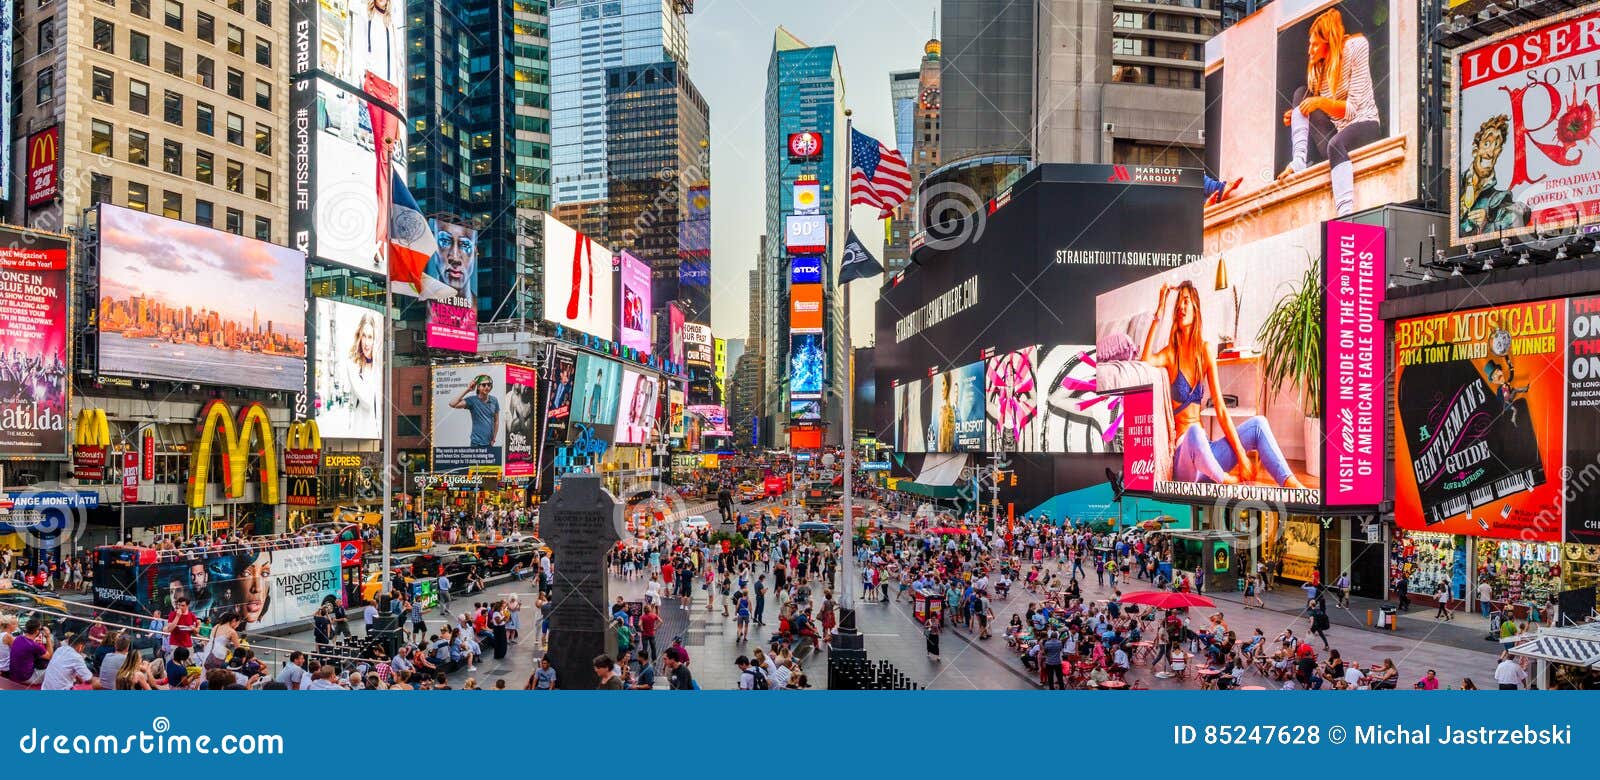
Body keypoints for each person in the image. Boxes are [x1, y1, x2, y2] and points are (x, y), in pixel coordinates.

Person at [1141, 281, 1302, 490]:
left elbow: (1221, 410)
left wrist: (1243, 457)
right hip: (1186, 460)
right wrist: (1159, 311)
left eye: (1186, 301)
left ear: (1196, 308)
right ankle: (1225, 480)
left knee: (1258, 425)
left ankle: (1292, 484)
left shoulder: (1205, 351)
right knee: (1194, 432)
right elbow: (1144, 360)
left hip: (1207, 457)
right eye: (1178, 303)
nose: (1181, 307)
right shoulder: (1171, 353)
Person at [1277, 6, 1383, 216]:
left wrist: (1318, 103)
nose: (1310, 51)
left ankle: (1345, 214)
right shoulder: (1318, 68)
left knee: (1336, 145)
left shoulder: (1356, 47)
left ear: (1329, 40)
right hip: (1338, 130)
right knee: (1300, 95)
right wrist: (1299, 114)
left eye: (1315, 45)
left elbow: (1351, 110)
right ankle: (1299, 160)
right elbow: (1317, 105)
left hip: (1365, 124)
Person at [1458, 114, 1530, 237]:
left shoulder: (1498, 199)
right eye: (1486, 144)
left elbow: (1520, 215)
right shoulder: (1458, 183)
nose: (1490, 153)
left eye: (1496, 146)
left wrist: (1486, 225)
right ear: (1476, 148)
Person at [450, 374, 501, 447]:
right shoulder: (472, 401)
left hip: (489, 443)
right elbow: (452, 404)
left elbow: (496, 421)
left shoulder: (494, 400)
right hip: (476, 443)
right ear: (478, 387)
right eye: (483, 385)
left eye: (489, 385)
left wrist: (494, 439)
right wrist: (468, 390)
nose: (487, 387)